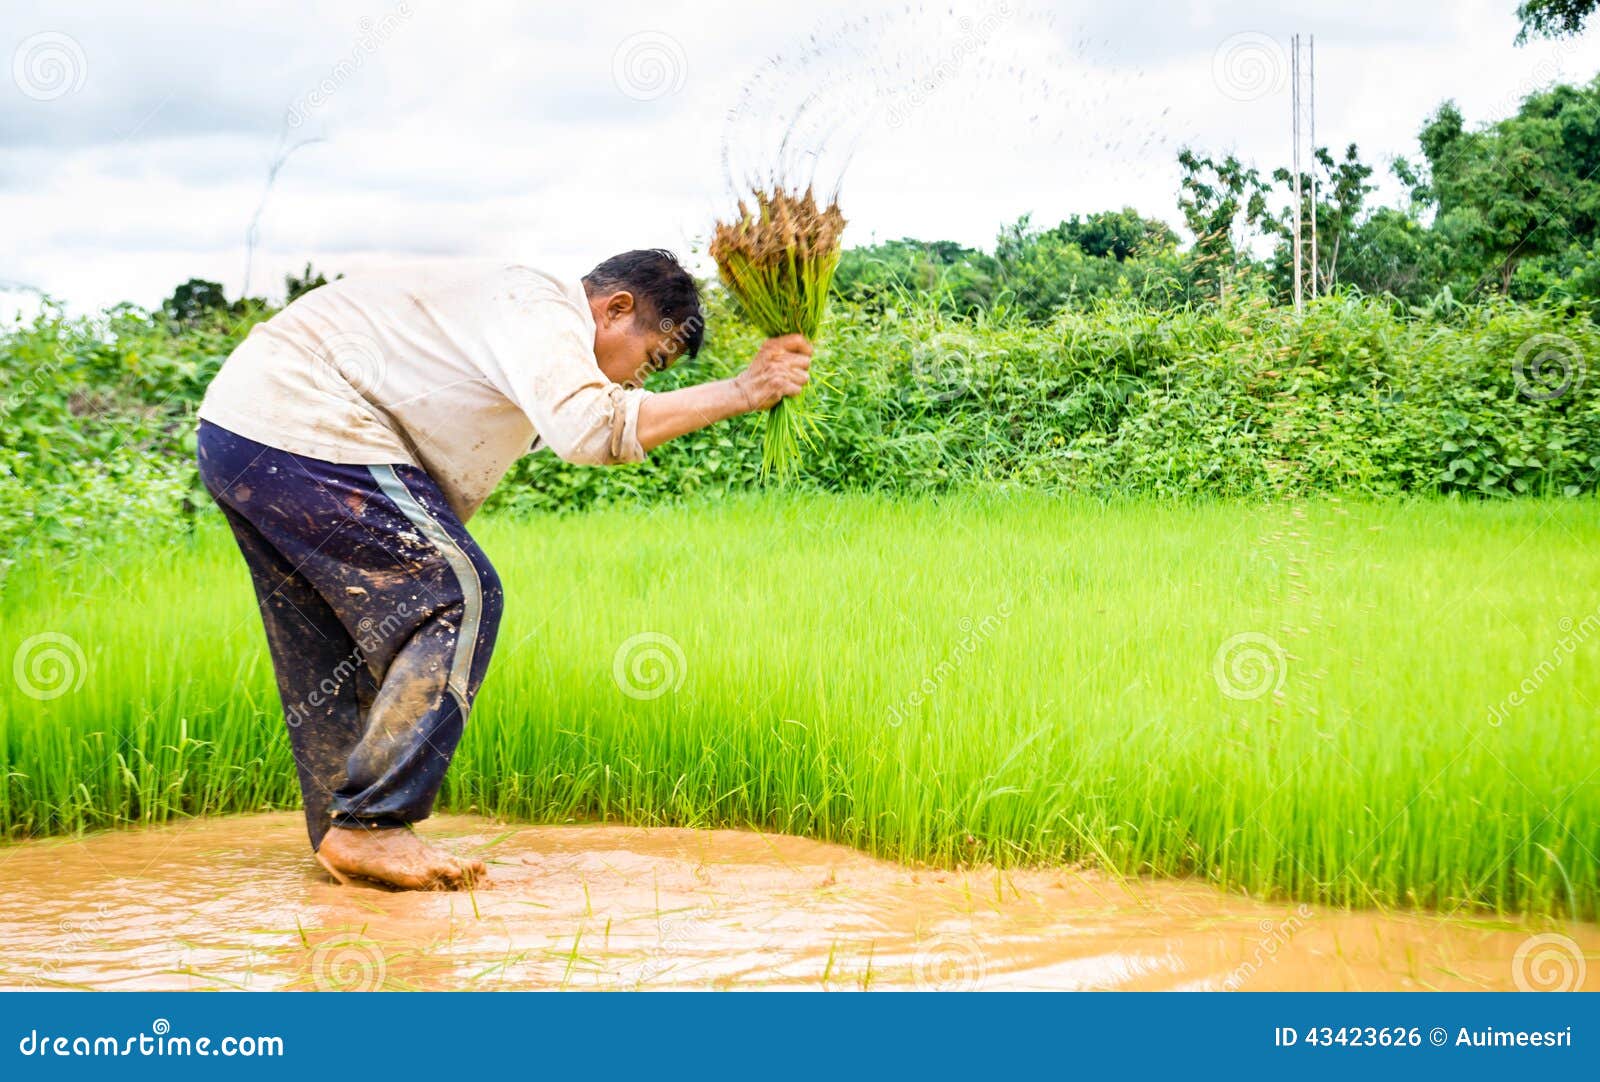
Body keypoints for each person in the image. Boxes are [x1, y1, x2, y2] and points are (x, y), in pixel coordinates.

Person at [194, 250, 811, 890]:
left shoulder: (512, 323)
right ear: (616, 309)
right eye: (649, 360)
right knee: (459, 596)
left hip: (242, 432)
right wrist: (744, 391)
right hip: (304, 417)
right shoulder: (537, 306)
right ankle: (372, 823)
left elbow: (586, 422)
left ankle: (344, 837)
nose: (636, 382)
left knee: (334, 651)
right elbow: (594, 430)